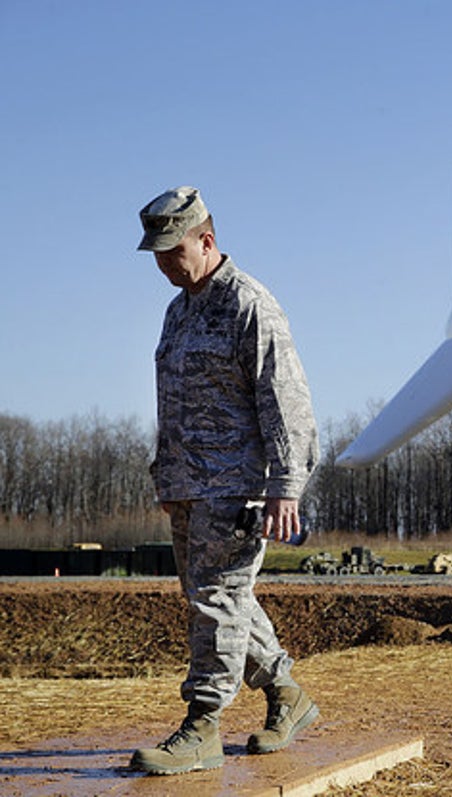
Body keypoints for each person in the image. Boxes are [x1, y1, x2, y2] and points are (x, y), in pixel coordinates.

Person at [130, 186, 321, 775]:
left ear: (206, 240)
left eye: (173, 250)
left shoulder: (250, 304)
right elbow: (173, 400)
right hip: (190, 485)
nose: (164, 263)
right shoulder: (180, 309)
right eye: (156, 253)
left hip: (237, 488)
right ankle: (288, 694)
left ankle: (203, 726)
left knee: (216, 601)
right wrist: (168, 476)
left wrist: (286, 486)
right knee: (219, 598)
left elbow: (286, 400)